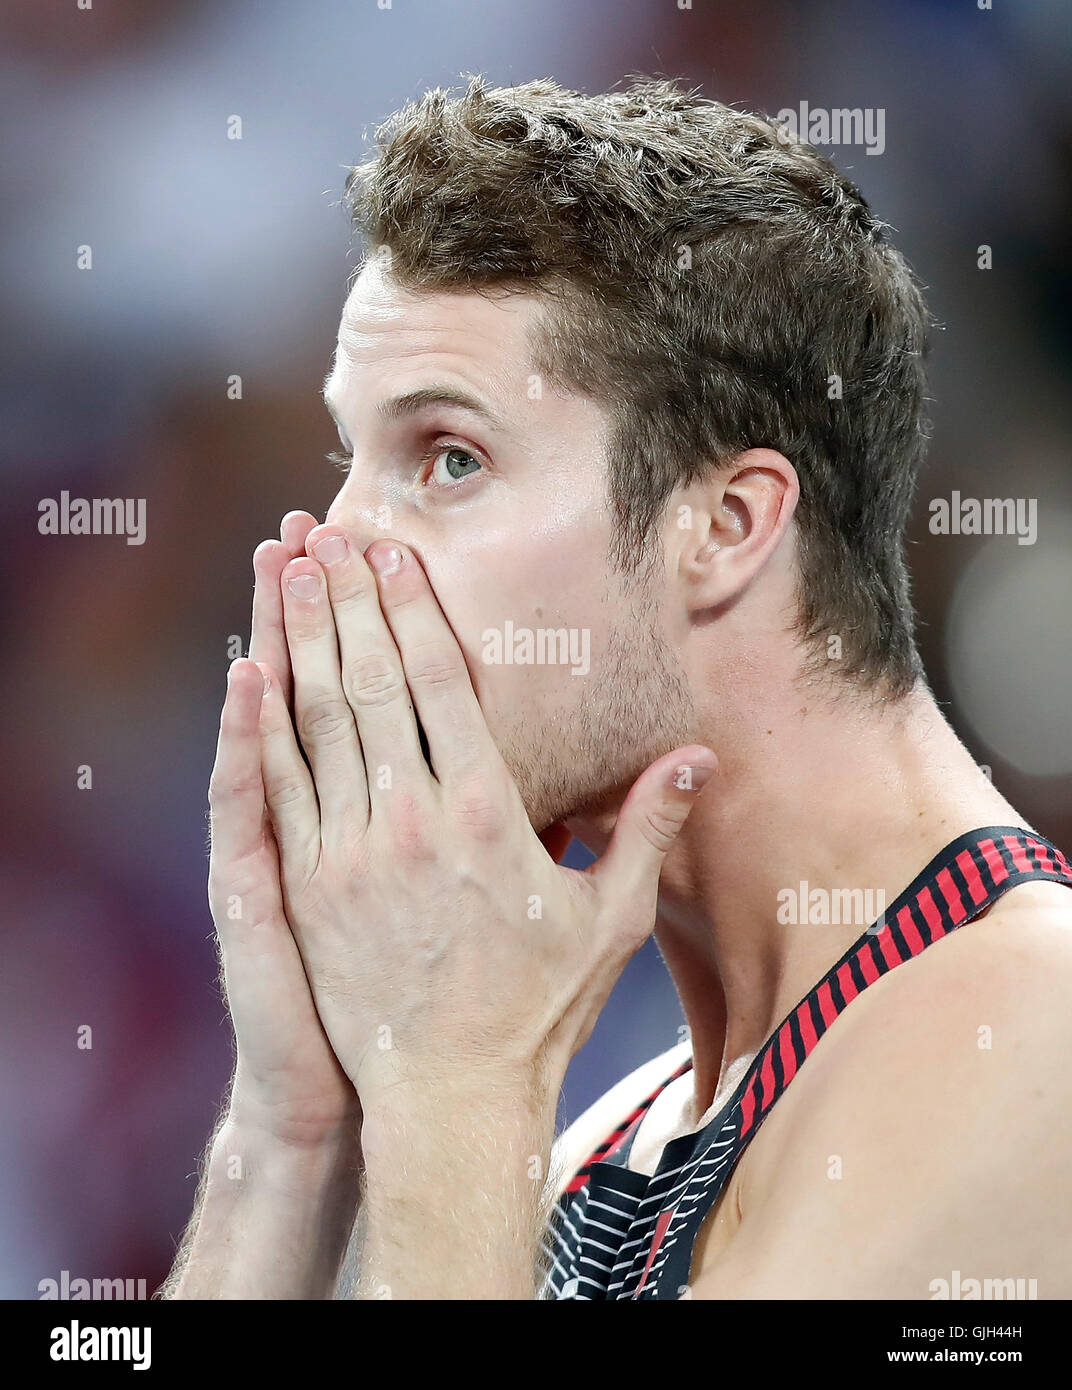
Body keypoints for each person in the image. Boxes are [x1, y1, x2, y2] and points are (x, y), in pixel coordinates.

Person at [158, 75, 1072, 1301]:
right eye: (349, 462)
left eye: (447, 456)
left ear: (726, 526)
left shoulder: (1023, 1040)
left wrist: (457, 1079)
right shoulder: (608, 1148)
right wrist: (291, 1131)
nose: (334, 545)